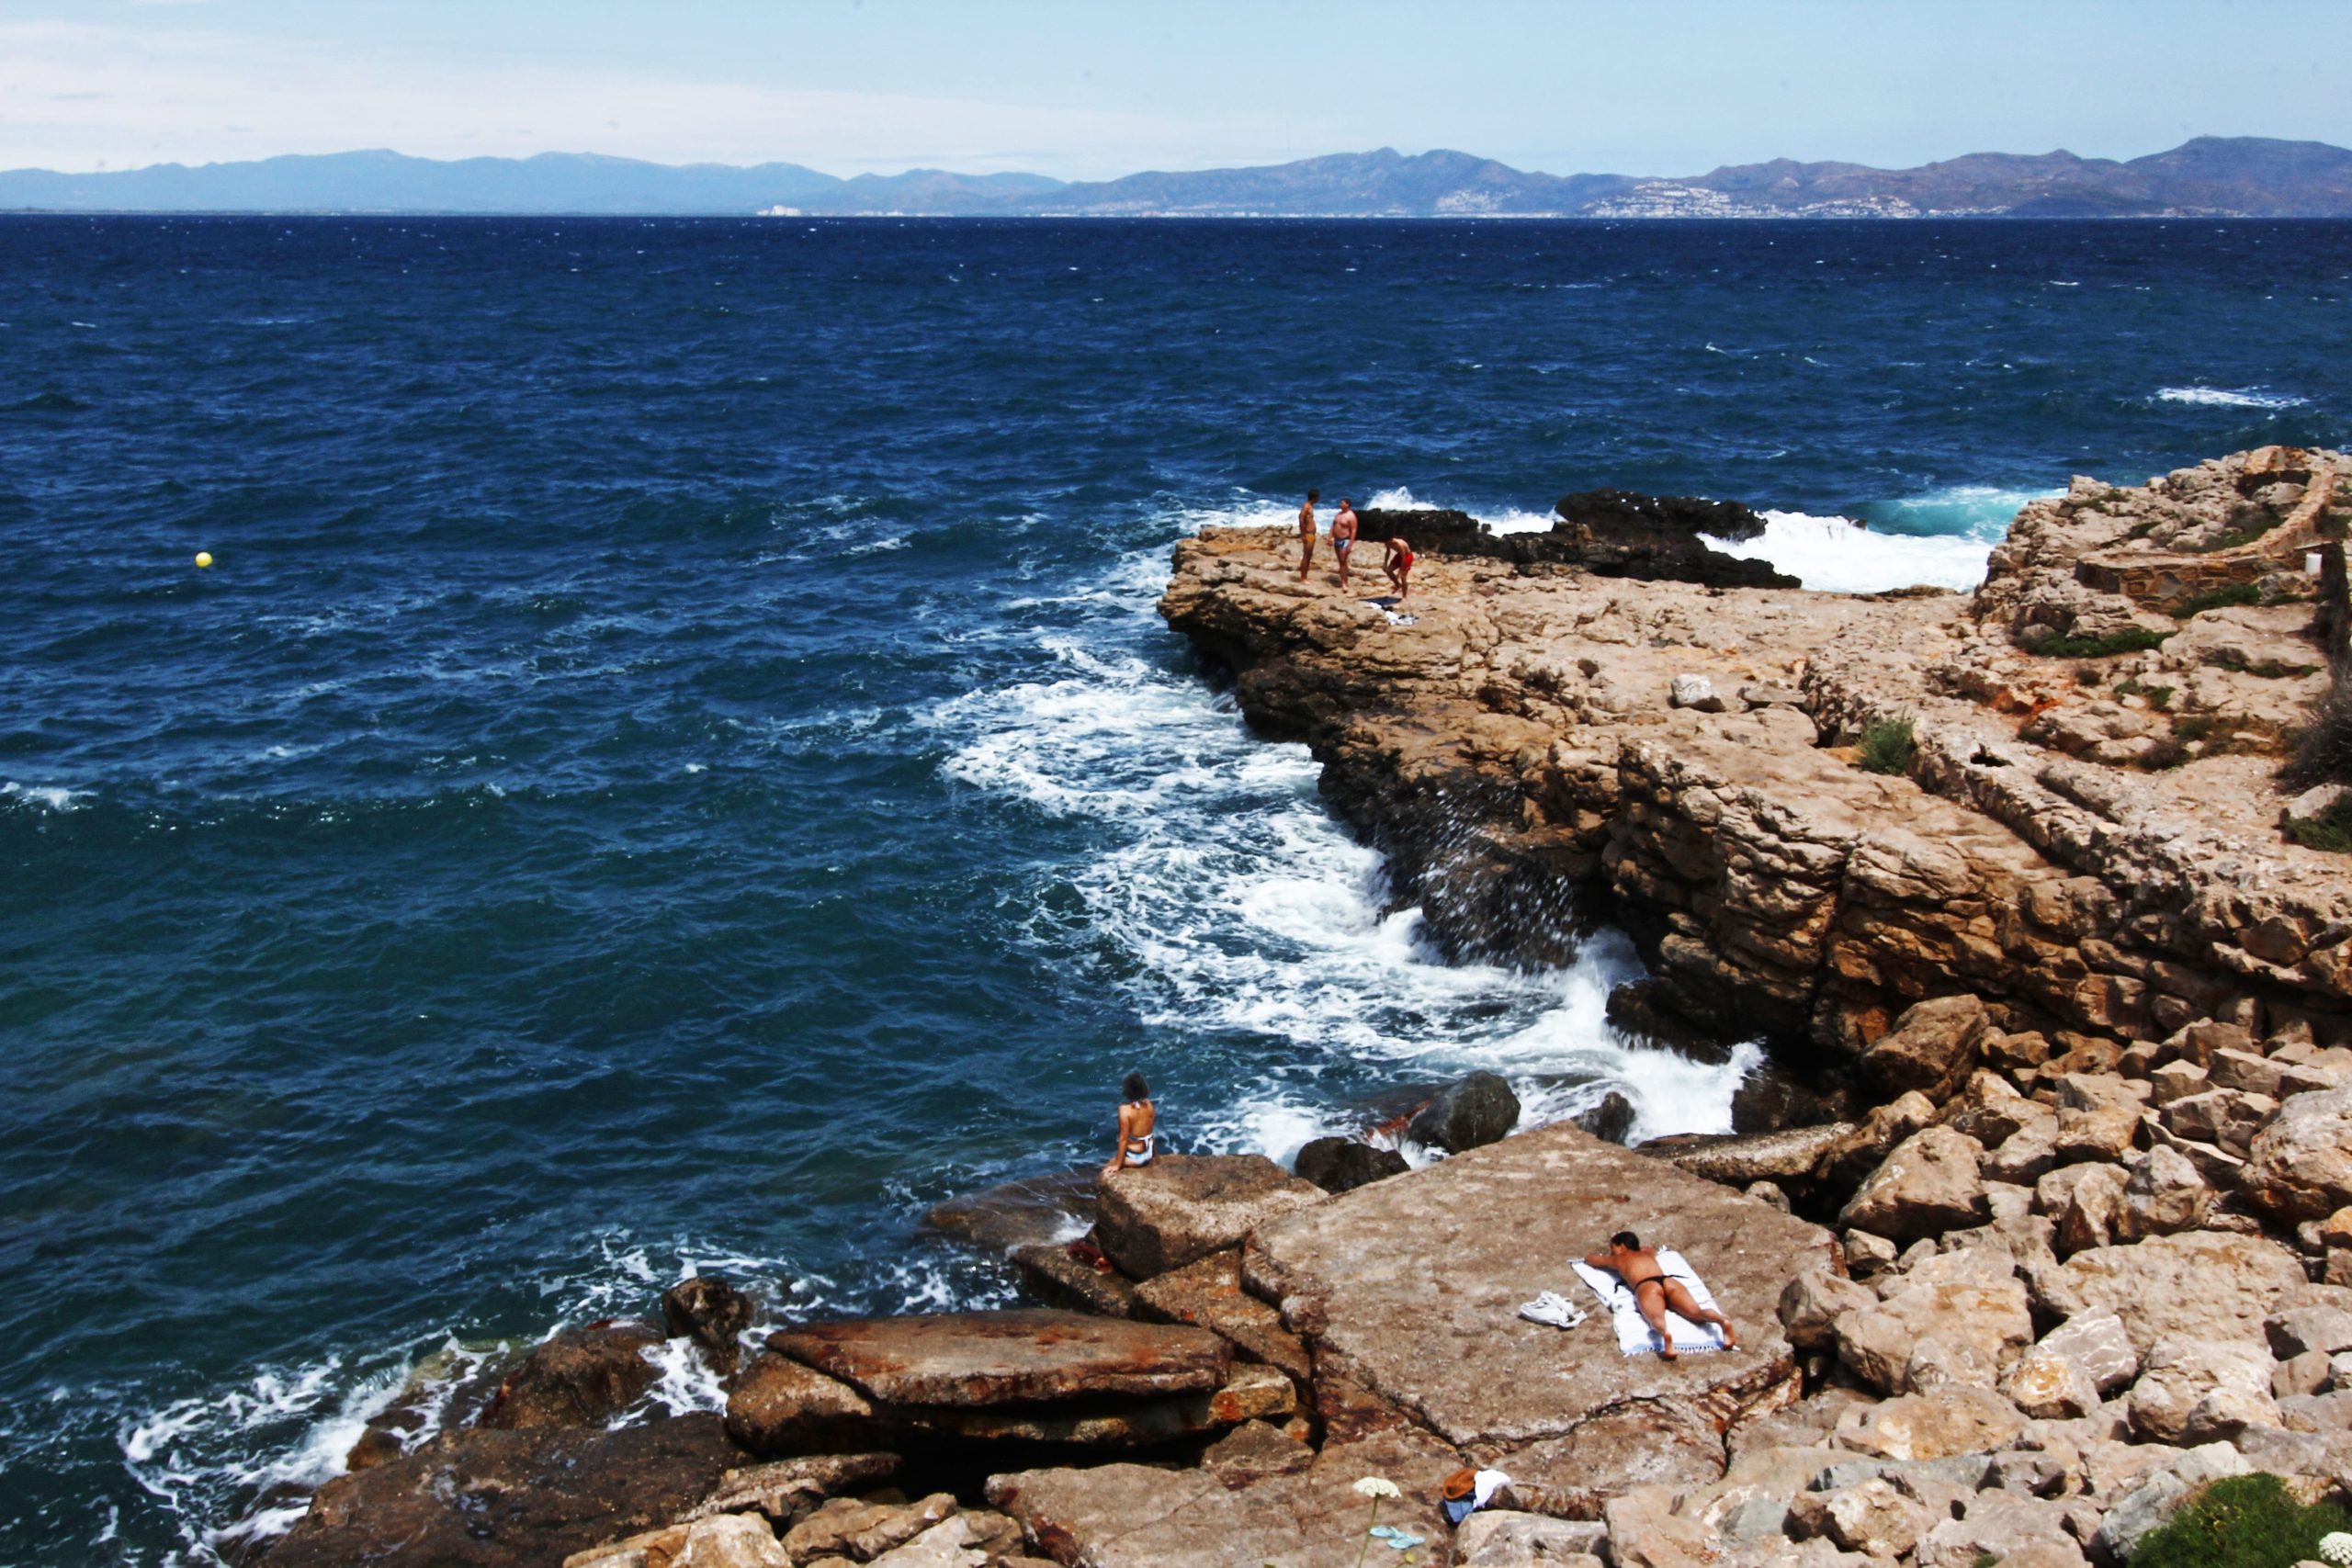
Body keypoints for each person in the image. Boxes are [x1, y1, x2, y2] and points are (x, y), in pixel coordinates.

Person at [1582, 1230, 1736, 1360]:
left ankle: (1666, 1334)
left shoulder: (1619, 1258)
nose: (1611, 1252)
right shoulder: (1648, 1253)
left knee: (1656, 1318)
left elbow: (1591, 1260)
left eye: (1612, 1248)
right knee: (1696, 1312)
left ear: (1621, 1246)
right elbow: (1652, 1249)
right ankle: (1721, 1320)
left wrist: (1606, 1257)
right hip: (1668, 1281)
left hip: (1646, 1286)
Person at [1105, 1072, 1157, 1174]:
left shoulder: (1124, 1110)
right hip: (1149, 1153)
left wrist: (1117, 1164)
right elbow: (1150, 1132)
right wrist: (1156, 1156)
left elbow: (1123, 1139)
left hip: (1135, 1158)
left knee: (1109, 1163)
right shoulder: (1149, 1104)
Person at [1330, 498, 1359, 589]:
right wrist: (1329, 536)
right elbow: (1333, 525)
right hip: (1337, 540)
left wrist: (1350, 544)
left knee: (1343, 561)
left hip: (1344, 540)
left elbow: (1353, 531)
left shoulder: (1351, 516)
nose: (1340, 504)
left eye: (1342, 503)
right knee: (1340, 561)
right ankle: (1343, 579)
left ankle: (1344, 582)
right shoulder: (1338, 514)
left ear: (1347, 504)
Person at [1296, 490, 1319, 582]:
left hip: (1311, 534)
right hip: (1308, 533)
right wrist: (1303, 534)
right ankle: (1303, 578)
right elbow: (1301, 518)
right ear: (1315, 497)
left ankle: (1305, 576)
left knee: (1309, 555)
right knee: (1306, 555)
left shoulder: (1310, 506)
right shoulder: (1306, 506)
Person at [1383, 536, 1415, 602]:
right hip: (1399, 556)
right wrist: (1385, 563)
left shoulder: (1399, 544)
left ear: (1391, 540)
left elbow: (1404, 558)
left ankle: (1404, 596)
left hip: (1406, 556)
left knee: (1403, 577)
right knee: (1388, 570)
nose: (1387, 544)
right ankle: (1397, 584)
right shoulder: (1389, 543)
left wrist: (1399, 572)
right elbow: (1388, 552)